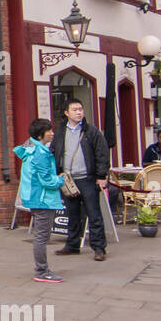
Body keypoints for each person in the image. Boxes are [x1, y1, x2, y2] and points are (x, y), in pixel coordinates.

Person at [50, 99, 111, 261]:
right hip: (68, 179)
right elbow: (54, 151)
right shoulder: (61, 131)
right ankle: (72, 245)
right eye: (75, 109)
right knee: (72, 214)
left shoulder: (91, 131)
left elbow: (102, 153)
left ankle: (99, 248)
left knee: (94, 213)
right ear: (66, 113)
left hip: (87, 179)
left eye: (80, 109)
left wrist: (101, 175)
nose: (78, 112)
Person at [14, 119, 67, 283]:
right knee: (42, 237)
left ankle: (42, 270)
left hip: (35, 197)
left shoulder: (30, 149)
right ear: (39, 135)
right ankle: (42, 271)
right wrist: (61, 180)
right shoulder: (40, 154)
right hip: (43, 199)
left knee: (40, 235)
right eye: (49, 131)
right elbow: (46, 180)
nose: (52, 133)